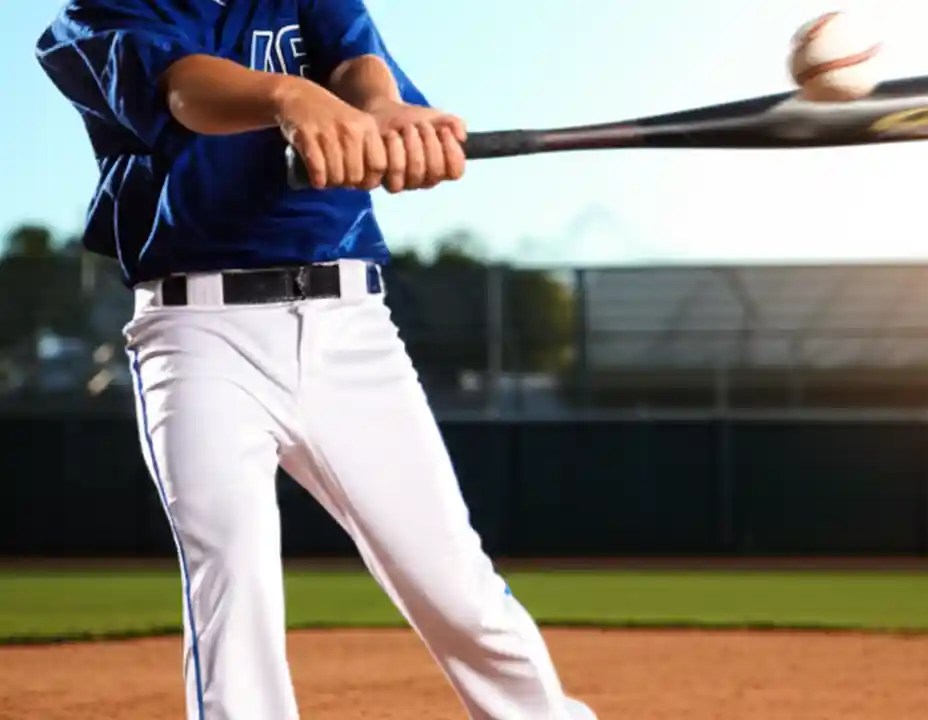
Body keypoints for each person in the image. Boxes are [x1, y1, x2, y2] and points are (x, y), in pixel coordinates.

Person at [36, 1, 596, 718]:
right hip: (198, 334)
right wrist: (290, 95)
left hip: (350, 324)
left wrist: (383, 107)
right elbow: (184, 92)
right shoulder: (99, 13)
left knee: (455, 583)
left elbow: (358, 63)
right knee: (233, 583)